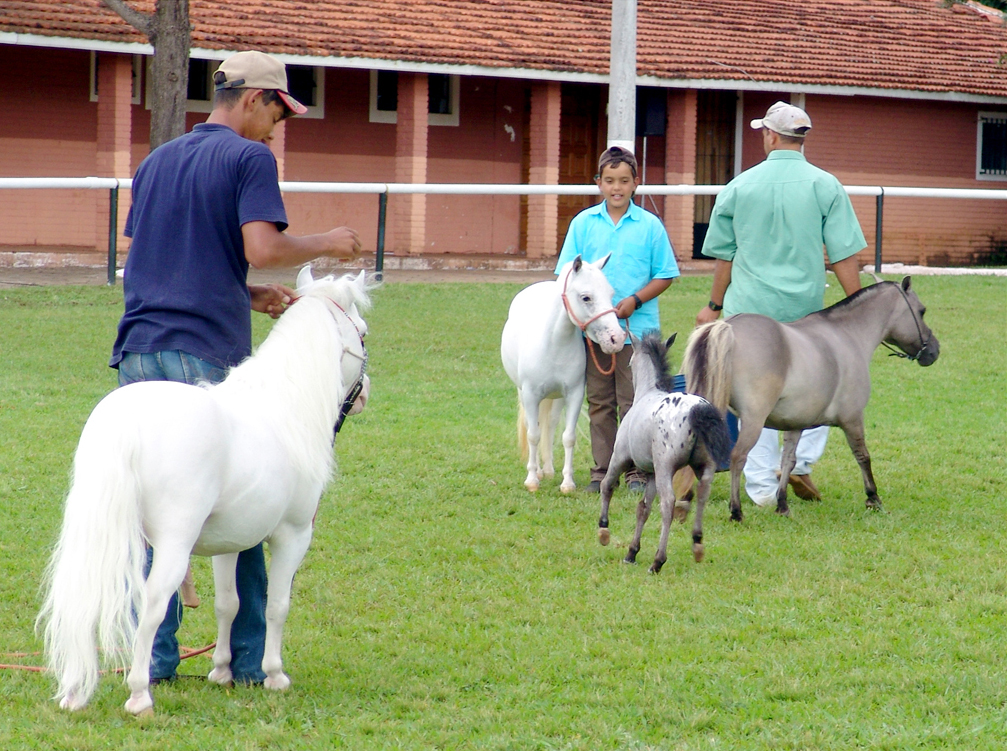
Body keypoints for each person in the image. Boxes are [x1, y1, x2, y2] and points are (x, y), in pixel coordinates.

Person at [110, 50, 362, 685]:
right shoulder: (251, 159)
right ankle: (249, 662)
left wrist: (244, 292)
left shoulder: (157, 160)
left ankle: (156, 661)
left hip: (140, 351)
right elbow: (264, 247)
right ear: (253, 99)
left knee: (149, 515)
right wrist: (328, 243)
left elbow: (143, 259)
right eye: (279, 111)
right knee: (250, 499)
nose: (279, 127)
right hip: (207, 358)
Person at [696, 100, 866, 507]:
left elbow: (726, 255)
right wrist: (855, 307)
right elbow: (844, 255)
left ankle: (759, 489)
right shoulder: (826, 185)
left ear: (771, 135)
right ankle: (801, 463)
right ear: (801, 139)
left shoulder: (739, 185)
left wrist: (714, 306)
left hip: (748, 312)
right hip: (805, 310)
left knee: (753, 398)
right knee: (821, 384)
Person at [555, 146, 680, 493]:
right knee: (600, 401)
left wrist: (635, 300)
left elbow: (666, 274)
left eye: (624, 181)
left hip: (635, 332)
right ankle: (602, 469)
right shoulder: (583, 223)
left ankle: (637, 470)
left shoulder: (650, 226)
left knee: (635, 402)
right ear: (598, 183)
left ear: (636, 183)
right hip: (595, 332)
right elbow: (565, 273)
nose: (617, 188)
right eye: (609, 180)